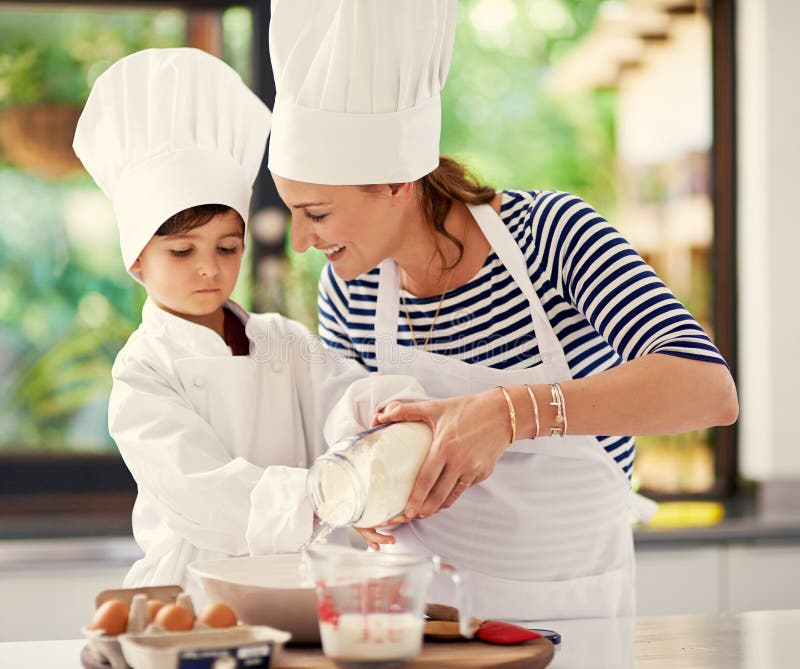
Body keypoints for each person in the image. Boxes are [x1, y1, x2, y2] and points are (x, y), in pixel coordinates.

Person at [266, 0, 739, 620]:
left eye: (317, 214)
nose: (301, 242)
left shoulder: (554, 235)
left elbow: (706, 389)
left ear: (395, 183)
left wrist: (511, 412)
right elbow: (355, 442)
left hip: (569, 614)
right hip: (420, 620)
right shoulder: (349, 291)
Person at [72, 47, 425, 601]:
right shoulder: (142, 373)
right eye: (182, 251)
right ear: (137, 259)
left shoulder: (281, 341)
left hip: (297, 583)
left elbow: (344, 399)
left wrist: (398, 416)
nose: (210, 267)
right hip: (191, 594)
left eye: (227, 246)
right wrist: (326, 495)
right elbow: (206, 494)